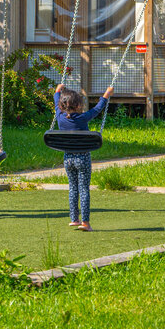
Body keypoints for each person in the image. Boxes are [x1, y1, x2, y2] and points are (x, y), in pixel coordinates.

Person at [54, 84, 113, 231]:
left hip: (68, 159)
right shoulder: (83, 118)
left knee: (73, 188)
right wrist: (106, 94)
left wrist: (57, 90)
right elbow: (97, 109)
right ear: (78, 105)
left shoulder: (60, 117)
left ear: (61, 105)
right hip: (83, 158)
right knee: (84, 189)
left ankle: (74, 219)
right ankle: (85, 222)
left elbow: (55, 101)